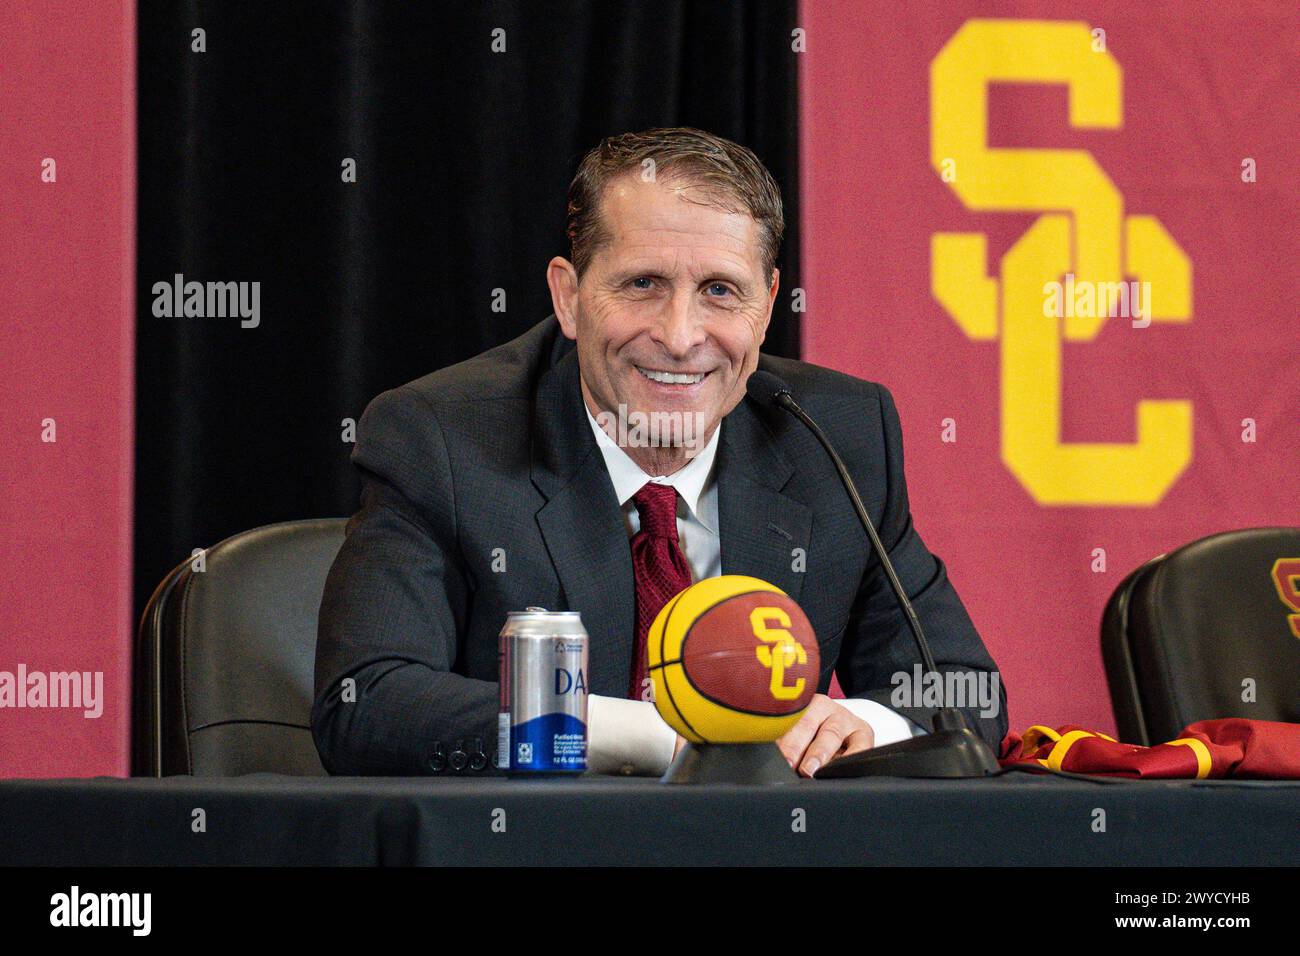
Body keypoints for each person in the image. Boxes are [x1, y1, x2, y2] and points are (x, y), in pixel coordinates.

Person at [313, 127, 1007, 777]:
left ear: (766, 306)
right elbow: (368, 702)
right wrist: (665, 737)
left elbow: (963, 691)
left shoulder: (836, 436)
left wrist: (860, 723)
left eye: (719, 291)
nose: (680, 337)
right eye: (642, 284)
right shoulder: (440, 438)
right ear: (570, 295)